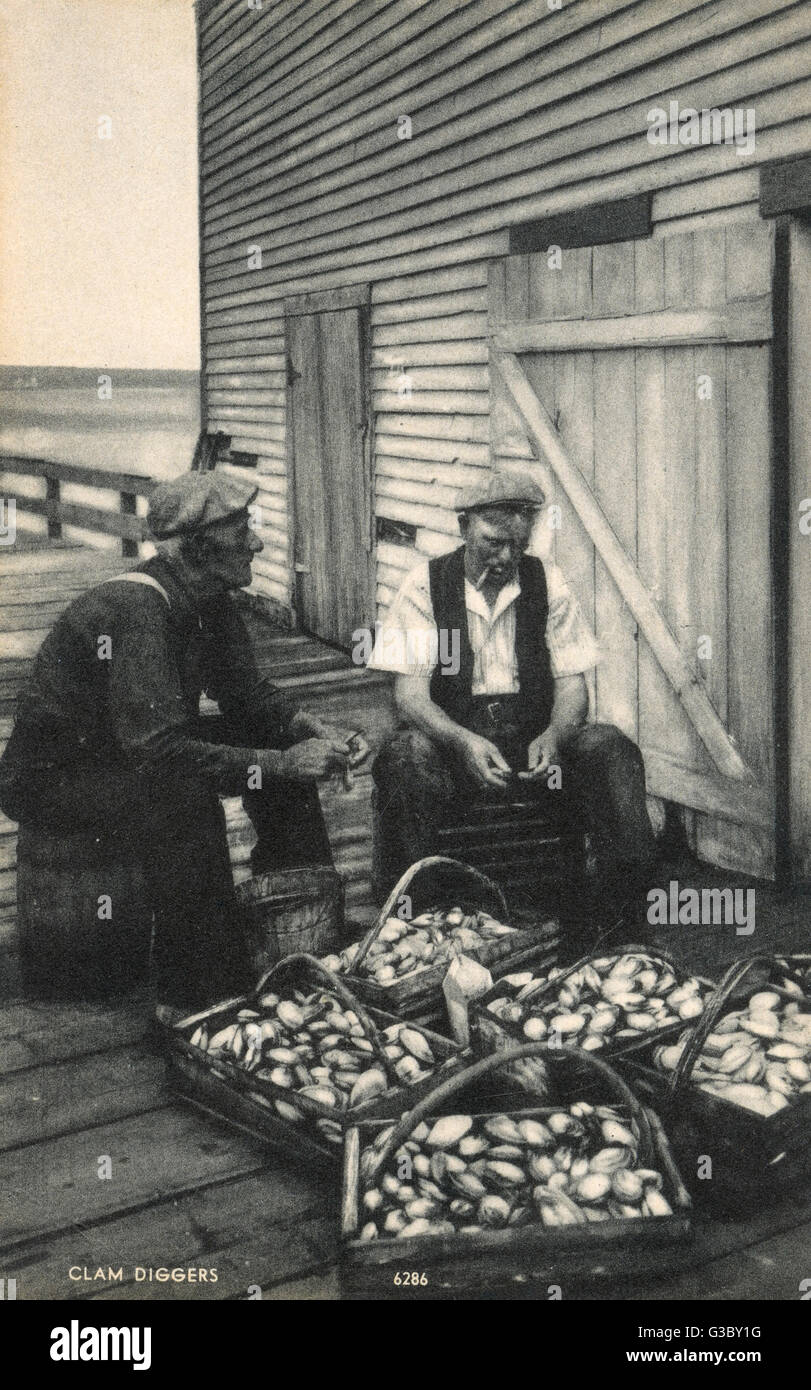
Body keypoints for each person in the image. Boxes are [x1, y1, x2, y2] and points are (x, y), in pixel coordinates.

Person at [0, 471, 368, 1012]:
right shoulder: (137, 610)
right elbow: (160, 755)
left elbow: (246, 693)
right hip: (55, 779)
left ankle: (296, 928)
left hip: (124, 752)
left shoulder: (208, 595)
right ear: (198, 546)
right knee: (184, 797)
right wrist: (284, 764)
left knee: (270, 743)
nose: (258, 542)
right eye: (241, 530)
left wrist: (306, 728)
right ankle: (203, 985)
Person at [367, 469, 655, 930]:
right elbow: (411, 697)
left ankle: (617, 919)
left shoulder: (547, 582)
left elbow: (571, 684)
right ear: (464, 527)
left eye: (518, 545)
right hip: (452, 743)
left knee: (611, 749)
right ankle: (415, 921)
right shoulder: (426, 585)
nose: (506, 558)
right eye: (492, 543)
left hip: (531, 742)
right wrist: (461, 741)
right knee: (406, 758)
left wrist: (555, 735)